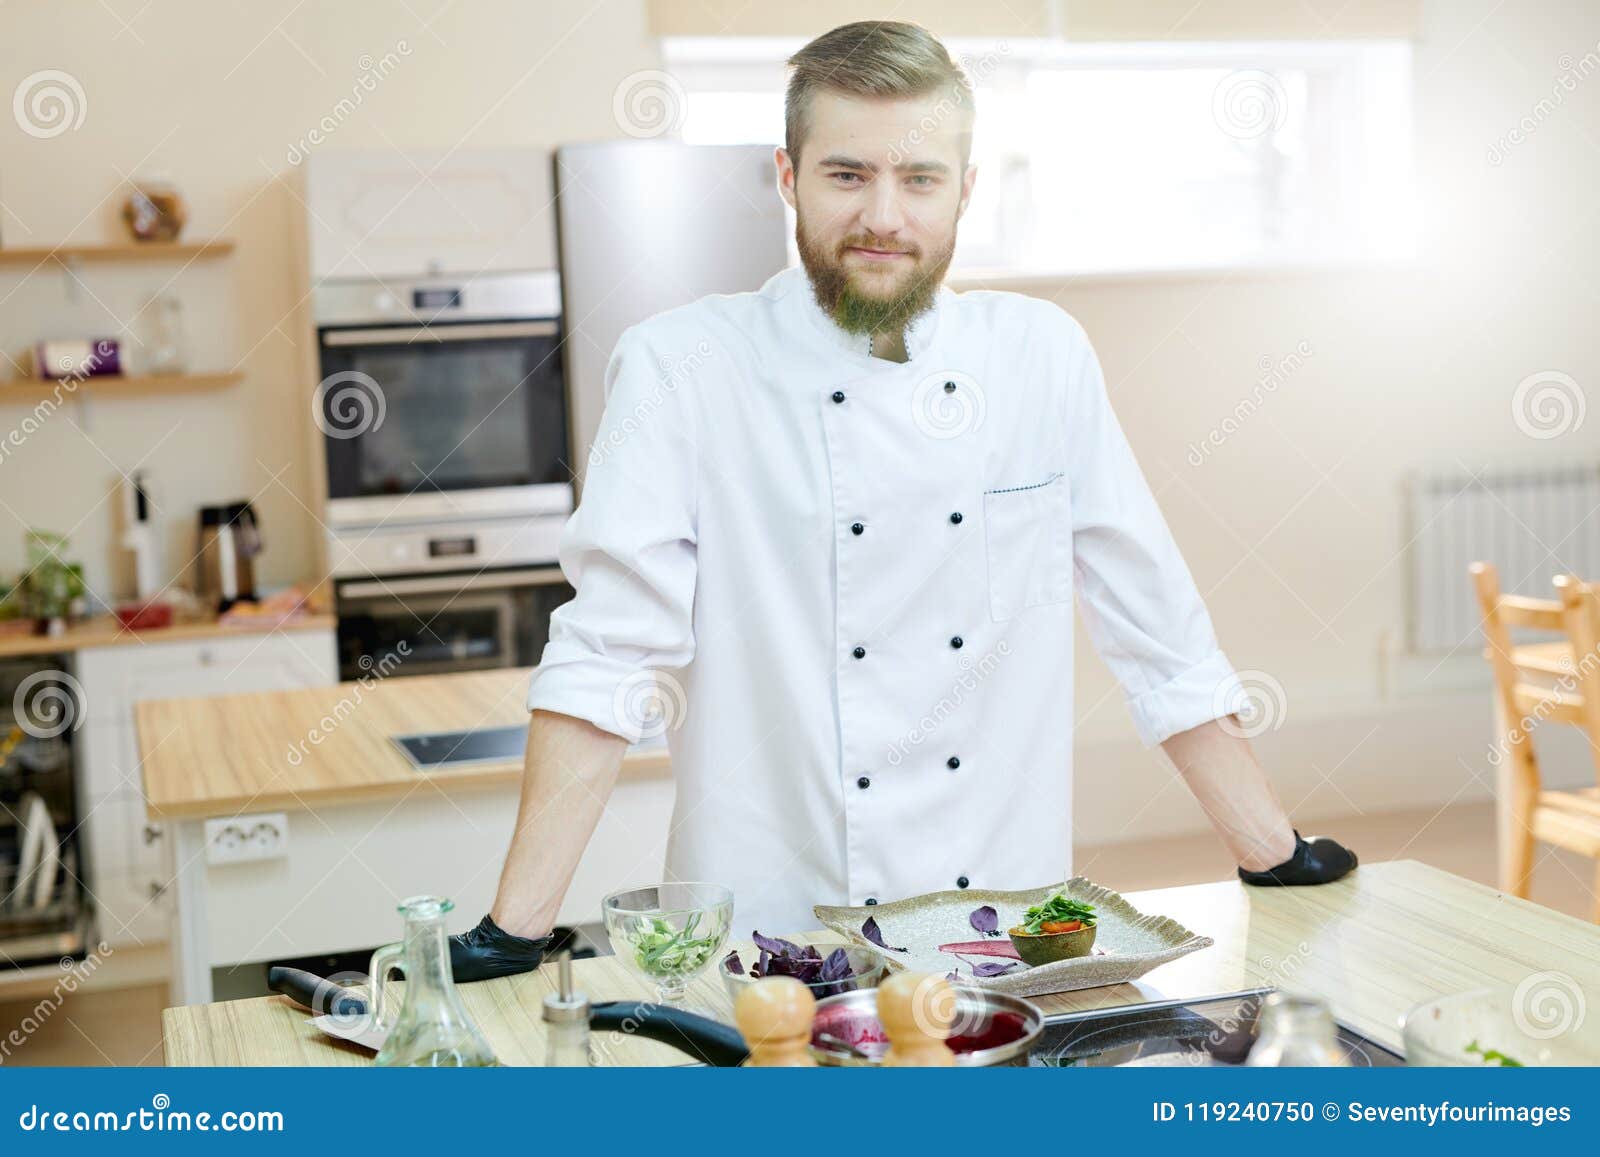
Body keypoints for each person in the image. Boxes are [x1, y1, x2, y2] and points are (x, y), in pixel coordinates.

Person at [449, 21, 1356, 980]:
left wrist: (1270, 850)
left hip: (1002, 931)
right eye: (847, 175)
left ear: (965, 190)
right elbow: (607, 657)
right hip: (773, 929)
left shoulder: (1039, 355)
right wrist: (517, 927)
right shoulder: (683, 365)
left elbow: (1154, 621)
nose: (883, 215)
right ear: (787, 178)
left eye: (919, 178)